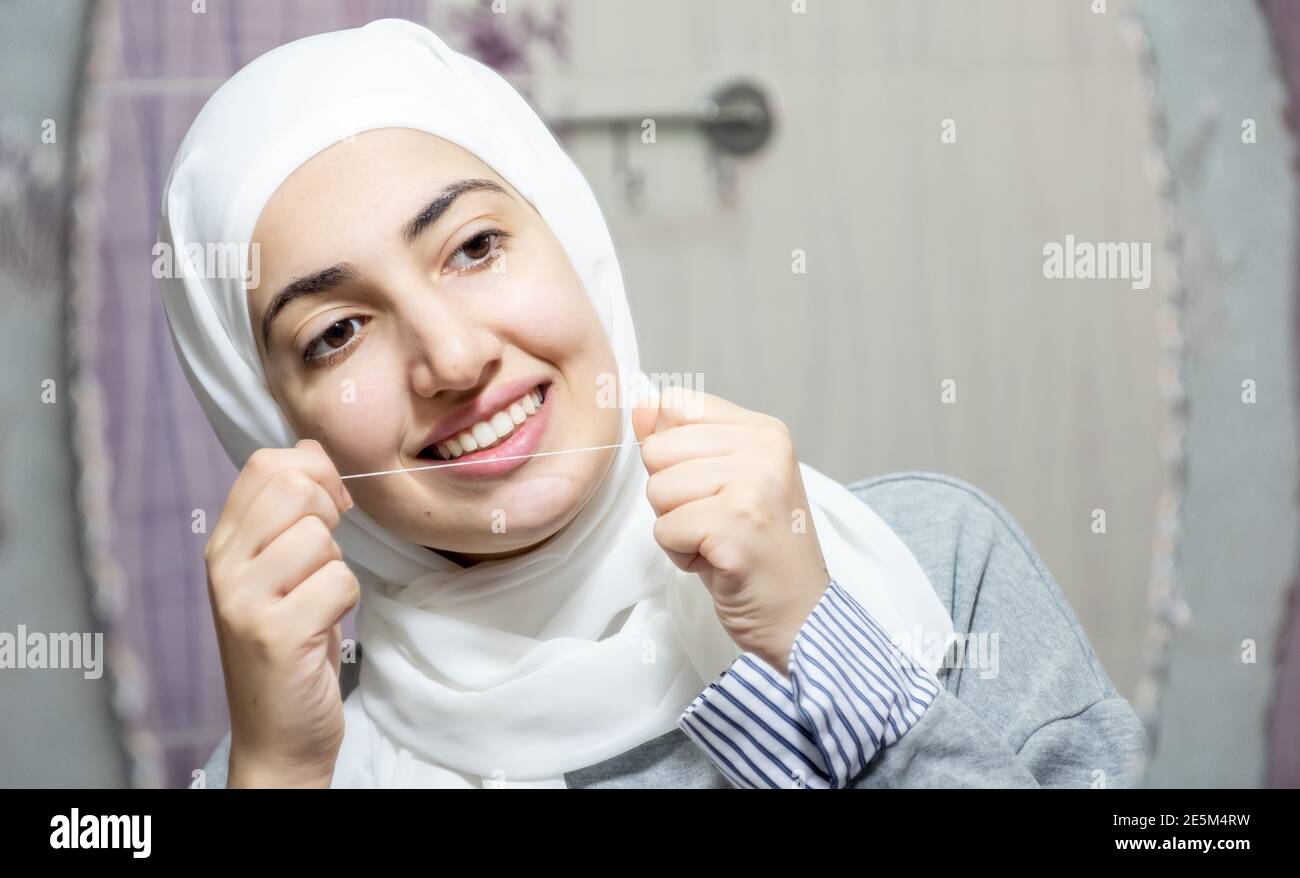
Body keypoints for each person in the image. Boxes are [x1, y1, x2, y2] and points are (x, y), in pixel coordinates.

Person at [158, 18, 1149, 789]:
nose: (452, 358)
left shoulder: (935, 564)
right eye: (337, 332)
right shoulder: (291, 753)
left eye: (474, 246)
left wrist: (828, 651)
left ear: (570, 237)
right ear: (270, 420)